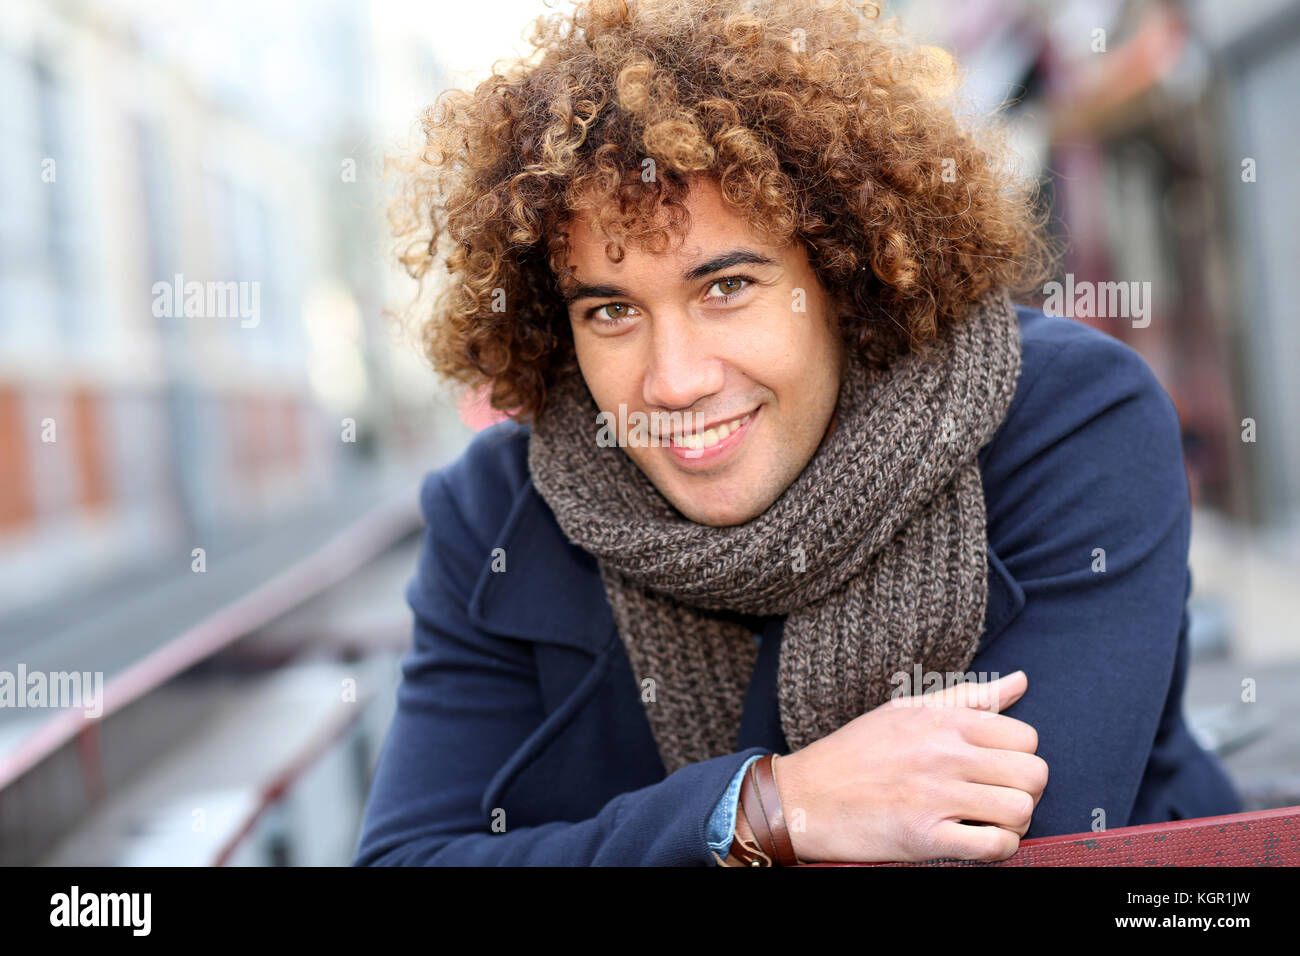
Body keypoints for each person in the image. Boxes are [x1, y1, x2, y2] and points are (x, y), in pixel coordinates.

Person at [352, 0, 1240, 866]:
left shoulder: (1067, 421)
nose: (675, 381)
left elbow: (1024, 848)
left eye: (727, 287)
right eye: (613, 309)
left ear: (842, 270)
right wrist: (764, 809)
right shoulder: (496, 513)